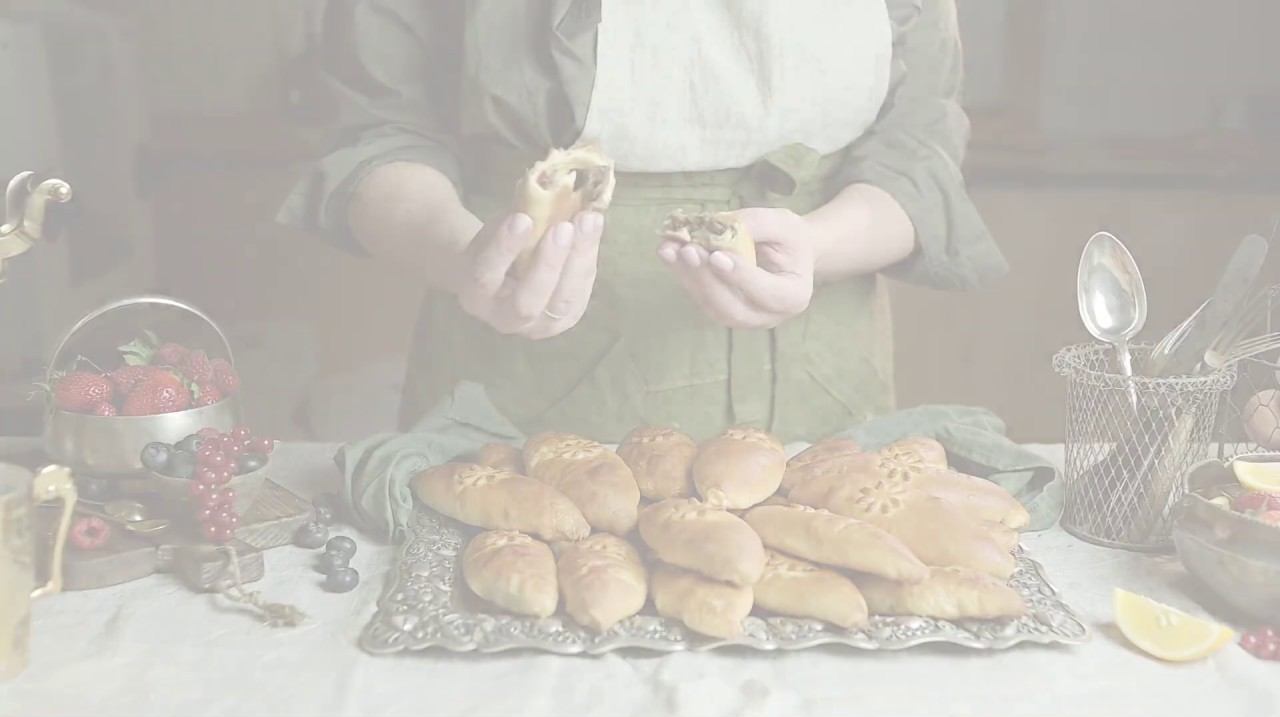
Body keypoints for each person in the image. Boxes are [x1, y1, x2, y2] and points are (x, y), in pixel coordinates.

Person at [281, 0, 1008, 444]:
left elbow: (917, 147)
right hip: (528, 394)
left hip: (821, 387)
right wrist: (465, 254)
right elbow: (380, 131)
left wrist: (817, 246)